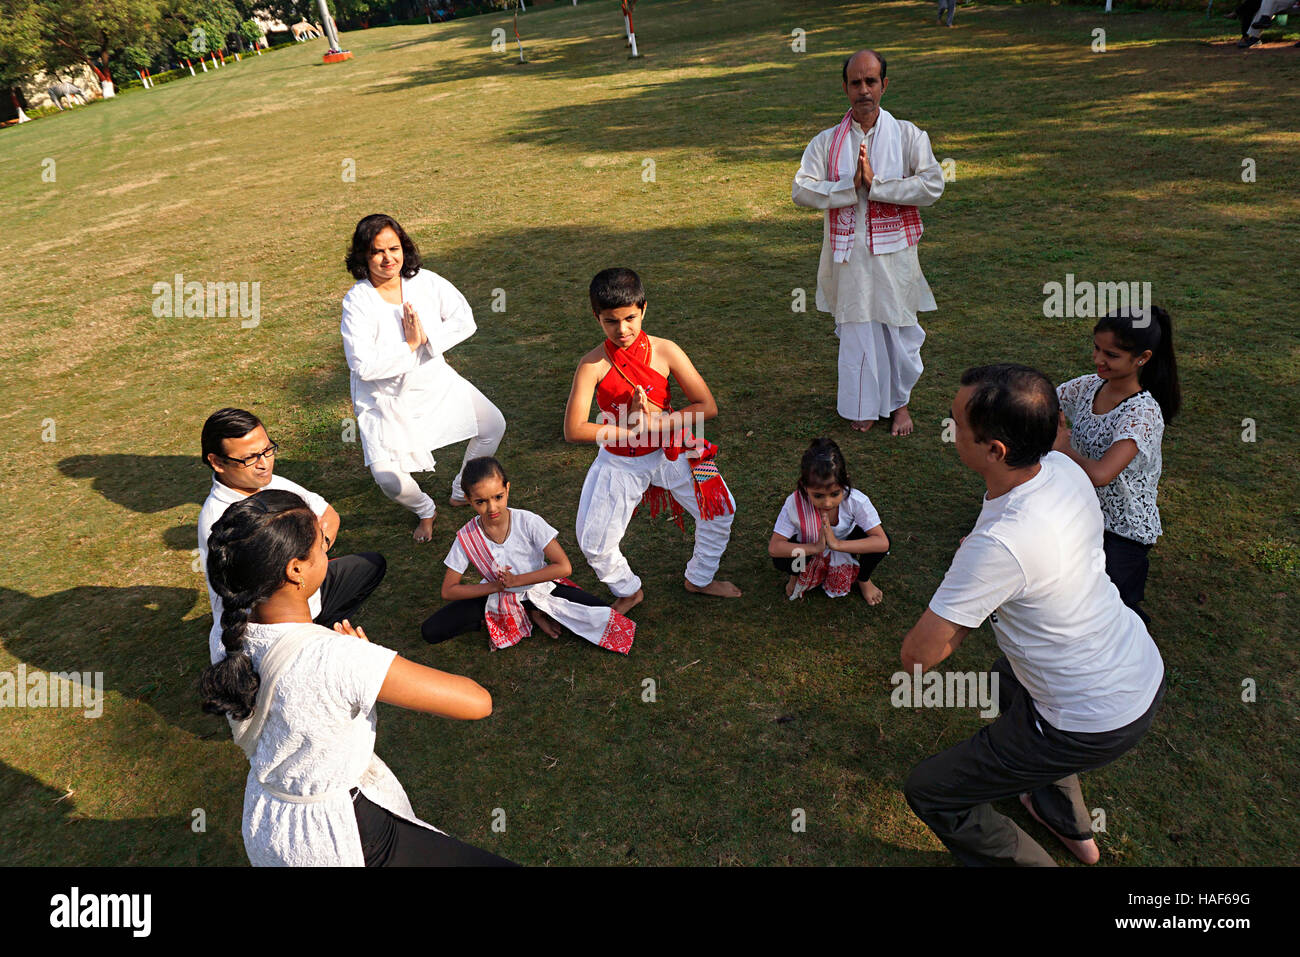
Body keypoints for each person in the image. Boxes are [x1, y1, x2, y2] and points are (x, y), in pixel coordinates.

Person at [901, 364, 1165, 866]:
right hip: (1134, 662)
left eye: (957, 423)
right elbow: (1035, 554)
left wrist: (973, 589)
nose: (949, 427)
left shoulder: (998, 546)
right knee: (1008, 681)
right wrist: (991, 576)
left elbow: (918, 658)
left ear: (995, 450)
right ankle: (1064, 820)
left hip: (1089, 718)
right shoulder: (1062, 468)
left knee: (931, 790)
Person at [201, 489, 512, 866]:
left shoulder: (227, 637)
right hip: (341, 834)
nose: (328, 555)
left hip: (270, 821)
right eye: (321, 546)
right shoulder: (337, 657)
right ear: (295, 569)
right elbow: (476, 702)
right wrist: (366, 656)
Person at [564, 268, 740, 613]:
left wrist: (657, 422)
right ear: (597, 318)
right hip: (620, 460)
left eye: (630, 318)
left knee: (720, 511)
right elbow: (574, 430)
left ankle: (700, 579)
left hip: (674, 450)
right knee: (595, 543)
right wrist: (631, 431)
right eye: (611, 321)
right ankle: (628, 590)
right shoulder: (592, 365)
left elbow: (707, 406)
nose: (623, 330)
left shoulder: (666, 351)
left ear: (643, 308)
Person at [793, 49, 944, 436]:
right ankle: (861, 405)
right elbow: (801, 190)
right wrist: (849, 187)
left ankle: (900, 407)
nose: (864, 90)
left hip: (895, 253)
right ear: (845, 87)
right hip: (849, 254)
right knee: (858, 327)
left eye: (871, 82)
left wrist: (879, 185)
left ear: (884, 85)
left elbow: (933, 184)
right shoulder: (826, 142)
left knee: (898, 327)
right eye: (856, 83)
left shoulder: (909, 135)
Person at [341, 213, 507, 543]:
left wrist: (426, 339)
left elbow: (464, 320)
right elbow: (362, 366)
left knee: (492, 426)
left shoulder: (425, 281)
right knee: (387, 477)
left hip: (435, 383)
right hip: (384, 399)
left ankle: (461, 488)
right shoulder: (357, 301)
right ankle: (425, 509)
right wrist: (410, 346)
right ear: (363, 256)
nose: (388, 258)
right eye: (377, 251)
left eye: (395, 248)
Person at [197, 407, 386, 666]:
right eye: (250, 458)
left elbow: (330, 514)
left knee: (372, 565)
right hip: (284, 618)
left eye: (267, 450)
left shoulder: (268, 482)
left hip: (307, 587)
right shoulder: (220, 522)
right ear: (217, 462)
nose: (264, 464)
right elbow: (262, 603)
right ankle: (320, 629)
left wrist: (317, 546)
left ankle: (327, 620)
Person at [422, 457, 635, 653]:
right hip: (496, 594)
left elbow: (563, 566)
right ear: (469, 500)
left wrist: (517, 581)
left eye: (498, 497)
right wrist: (496, 587)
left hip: (539, 587)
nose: (492, 507)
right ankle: (520, 614)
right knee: (432, 631)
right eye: (481, 502)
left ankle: (531, 611)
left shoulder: (528, 521)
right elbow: (449, 590)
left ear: (507, 488)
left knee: (602, 615)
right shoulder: (467, 536)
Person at [1055, 307, 1180, 624]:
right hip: (1082, 511)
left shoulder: (1143, 413)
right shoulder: (1089, 386)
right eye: (1097, 347)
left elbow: (1101, 473)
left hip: (1124, 529)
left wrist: (1062, 446)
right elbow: (1044, 401)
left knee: (1103, 614)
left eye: (1111, 354)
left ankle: (1130, 618)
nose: (1098, 359)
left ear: (1142, 358)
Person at [767, 437, 890, 603]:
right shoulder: (795, 504)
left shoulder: (856, 501)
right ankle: (795, 576)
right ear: (804, 487)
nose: (827, 503)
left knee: (880, 543)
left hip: (846, 544)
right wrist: (815, 547)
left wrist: (837, 545)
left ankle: (863, 579)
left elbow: (882, 542)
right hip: (810, 546)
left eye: (835, 494)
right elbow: (775, 548)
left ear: (845, 482)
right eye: (818, 496)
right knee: (784, 558)